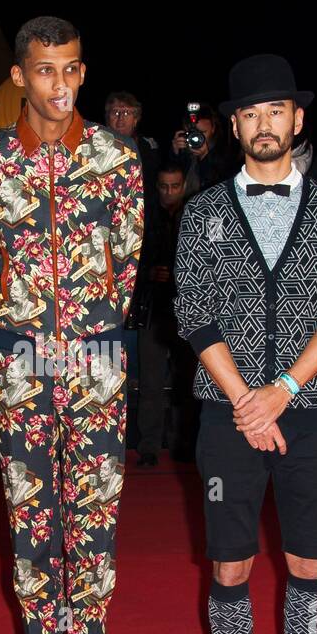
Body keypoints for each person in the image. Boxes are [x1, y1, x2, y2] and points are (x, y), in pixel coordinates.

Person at [0, 16, 143, 634]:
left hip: (97, 366)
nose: (60, 85)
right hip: (21, 370)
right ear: (19, 77)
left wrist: (87, 344)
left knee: (92, 540)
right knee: (35, 539)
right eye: (44, 71)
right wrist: (32, 340)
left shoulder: (119, 158)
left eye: (71, 70)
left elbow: (124, 271)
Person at [175, 54, 317, 634]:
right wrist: (247, 402)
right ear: (234, 125)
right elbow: (193, 314)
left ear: (297, 119)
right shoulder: (202, 213)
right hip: (225, 411)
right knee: (230, 564)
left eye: (275, 111)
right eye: (249, 113)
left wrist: (282, 390)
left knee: (309, 562)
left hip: (312, 410)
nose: (263, 124)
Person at [134, 163, 196, 465]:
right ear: (156, 187)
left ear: (183, 185)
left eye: (175, 186)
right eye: (164, 186)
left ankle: (182, 442)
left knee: (187, 381)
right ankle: (149, 448)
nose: (169, 192)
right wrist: (148, 273)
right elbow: (129, 262)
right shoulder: (145, 218)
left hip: (187, 312)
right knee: (150, 384)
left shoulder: (195, 216)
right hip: (153, 311)